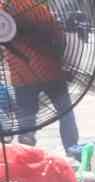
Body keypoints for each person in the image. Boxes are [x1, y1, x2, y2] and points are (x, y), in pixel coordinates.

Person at [6, 0, 80, 151]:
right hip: (51, 72)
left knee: (27, 119)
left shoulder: (4, 9)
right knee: (65, 112)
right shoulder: (37, 7)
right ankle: (72, 149)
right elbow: (58, 34)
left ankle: (26, 155)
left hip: (22, 76)